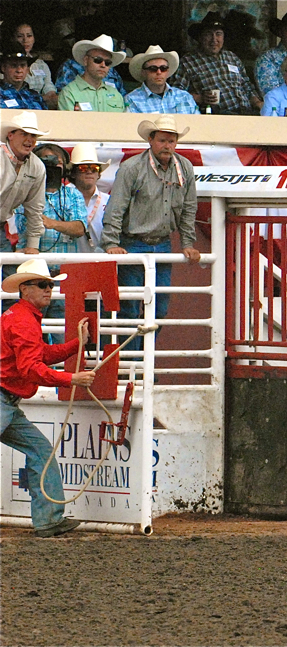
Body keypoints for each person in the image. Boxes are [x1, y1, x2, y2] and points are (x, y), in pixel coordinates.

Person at [1, 258, 96, 537]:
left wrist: (76, 345)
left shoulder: (19, 317)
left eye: (50, 285)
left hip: (6, 400)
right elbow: (31, 368)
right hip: (4, 399)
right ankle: (48, 520)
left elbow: (38, 355)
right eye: (43, 285)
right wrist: (72, 379)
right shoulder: (24, 321)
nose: (49, 289)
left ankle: (49, 520)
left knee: (42, 451)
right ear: (25, 289)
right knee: (41, 451)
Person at [101, 116, 200, 328]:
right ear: (150, 140)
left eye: (171, 141)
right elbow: (116, 207)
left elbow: (189, 207)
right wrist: (111, 243)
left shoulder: (185, 167)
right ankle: (133, 360)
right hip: (133, 242)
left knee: (160, 308)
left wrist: (187, 244)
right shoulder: (132, 168)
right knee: (130, 307)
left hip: (163, 242)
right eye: (162, 140)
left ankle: (143, 358)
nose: (167, 146)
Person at [13, 144, 87, 342]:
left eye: (57, 162)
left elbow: (80, 228)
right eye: (45, 161)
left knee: (63, 337)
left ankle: (58, 373)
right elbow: (23, 226)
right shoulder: (25, 193)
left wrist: (52, 223)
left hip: (63, 279)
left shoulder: (73, 195)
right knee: (30, 337)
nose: (52, 166)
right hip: (32, 279)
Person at [173, 12, 263, 115]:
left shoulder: (232, 57)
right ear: (200, 37)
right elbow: (175, 93)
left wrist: (258, 102)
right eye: (208, 34)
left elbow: (246, 85)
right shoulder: (188, 62)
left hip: (246, 114)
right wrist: (200, 98)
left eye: (218, 34)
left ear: (223, 37)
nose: (214, 39)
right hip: (216, 117)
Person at [1, 111, 47, 255]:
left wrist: (33, 245)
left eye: (33, 136)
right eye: (24, 134)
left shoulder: (37, 167)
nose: (29, 140)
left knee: (9, 274)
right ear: (10, 135)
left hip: (0, 227)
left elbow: (35, 208)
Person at [56, 34, 125, 112]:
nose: (103, 65)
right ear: (86, 60)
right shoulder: (69, 93)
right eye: (98, 60)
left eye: (107, 62)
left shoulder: (116, 94)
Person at [124, 45, 198, 115]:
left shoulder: (185, 97)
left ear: (168, 71)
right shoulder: (132, 100)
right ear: (143, 72)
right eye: (153, 69)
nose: (159, 72)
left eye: (163, 68)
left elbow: (199, 125)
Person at [68, 142, 110, 253]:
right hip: (69, 260)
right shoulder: (62, 199)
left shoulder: (109, 201)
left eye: (94, 168)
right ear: (73, 173)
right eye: (83, 168)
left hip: (102, 261)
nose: (89, 171)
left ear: (99, 174)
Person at [11, 23, 58, 109]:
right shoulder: (7, 65)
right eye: (20, 36)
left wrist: (50, 96)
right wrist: (39, 98)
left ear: (34, 39)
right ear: (13, 39)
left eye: (29, 36)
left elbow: (49, 88)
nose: (25, 40)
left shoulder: (41, 65)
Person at [1, 46, 48, 110]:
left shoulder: (35, 96)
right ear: (3, 68)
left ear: (27, 69)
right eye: (14, 66)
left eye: (23, 65)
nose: (19, 70)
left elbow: (46, 118)